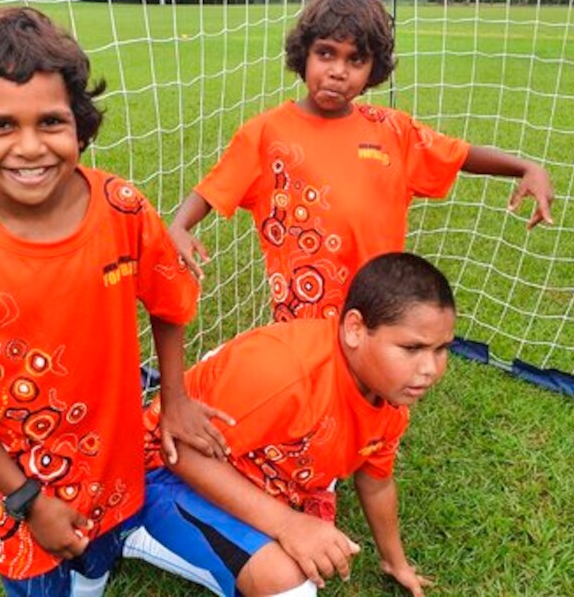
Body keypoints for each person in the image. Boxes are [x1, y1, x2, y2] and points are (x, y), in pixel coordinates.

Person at [0, 6, 231, 596]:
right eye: (0, 126)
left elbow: (169, 300)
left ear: (80, 124)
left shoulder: (123, 207)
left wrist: (174, 397)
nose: (29, 147)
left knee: (94, 564)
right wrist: (27, 499)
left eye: (50, 121)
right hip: (25, 501)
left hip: (119, 468)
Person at [170, 0, 554, 323]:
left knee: (374, 393)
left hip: (380, 309)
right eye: (326, 53)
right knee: (313, 396)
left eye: (355, 60)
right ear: (303, 54)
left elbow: (461, 154)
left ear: (373, 69)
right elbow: (212, 189)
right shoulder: (267, 133)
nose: (338, 71)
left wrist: (525, 167)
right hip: (303, 314)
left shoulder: (393, 130)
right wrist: (179, 227)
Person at [125, 252, 458, 597]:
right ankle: (129, 532)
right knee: (290, 583)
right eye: (412, 348)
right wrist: (287, 523)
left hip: (254, 470)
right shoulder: (284, 372)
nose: (430, 368)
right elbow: (181, 450)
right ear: (355, 329)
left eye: (441, 350)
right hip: (157, 471)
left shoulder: (389, 394)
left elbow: (375, 481)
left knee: (316, 518)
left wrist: (395, 562)